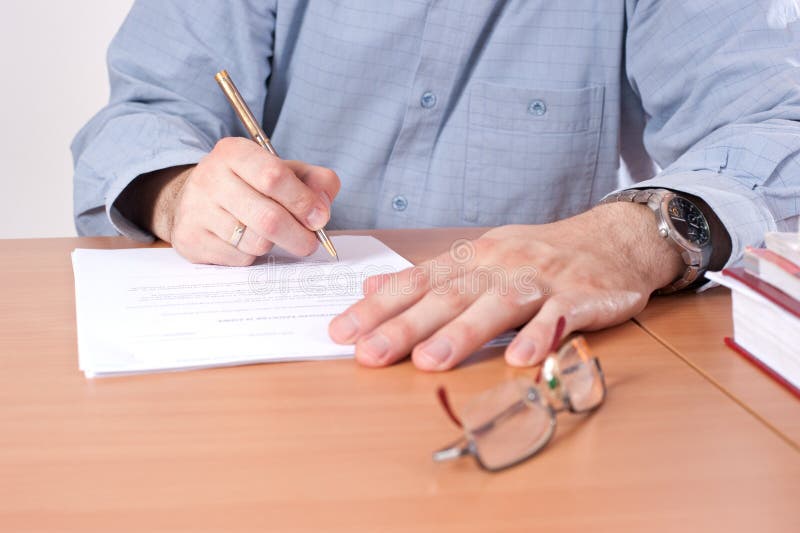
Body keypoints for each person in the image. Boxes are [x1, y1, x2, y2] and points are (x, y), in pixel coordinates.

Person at [72, 1, 800, 371]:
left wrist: (635, 234)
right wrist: (179, 193)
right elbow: (140, 117)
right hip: (258, 371)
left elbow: (779, 122)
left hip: (513, 368)